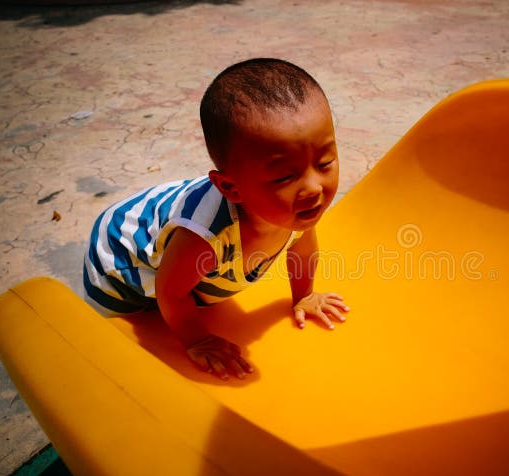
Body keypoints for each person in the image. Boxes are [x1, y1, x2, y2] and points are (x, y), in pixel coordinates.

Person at [83, 58, 349, 380]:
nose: (312, 188)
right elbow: (171, 292)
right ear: (230, 188)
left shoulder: (294, 208)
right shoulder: (205, 234)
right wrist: (199, 340)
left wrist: (304, 295)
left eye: (324, 162)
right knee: (116, 358)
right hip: (118, 265)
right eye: (283, 177)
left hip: (175, 262)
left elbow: (302, 250)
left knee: (193, 287)